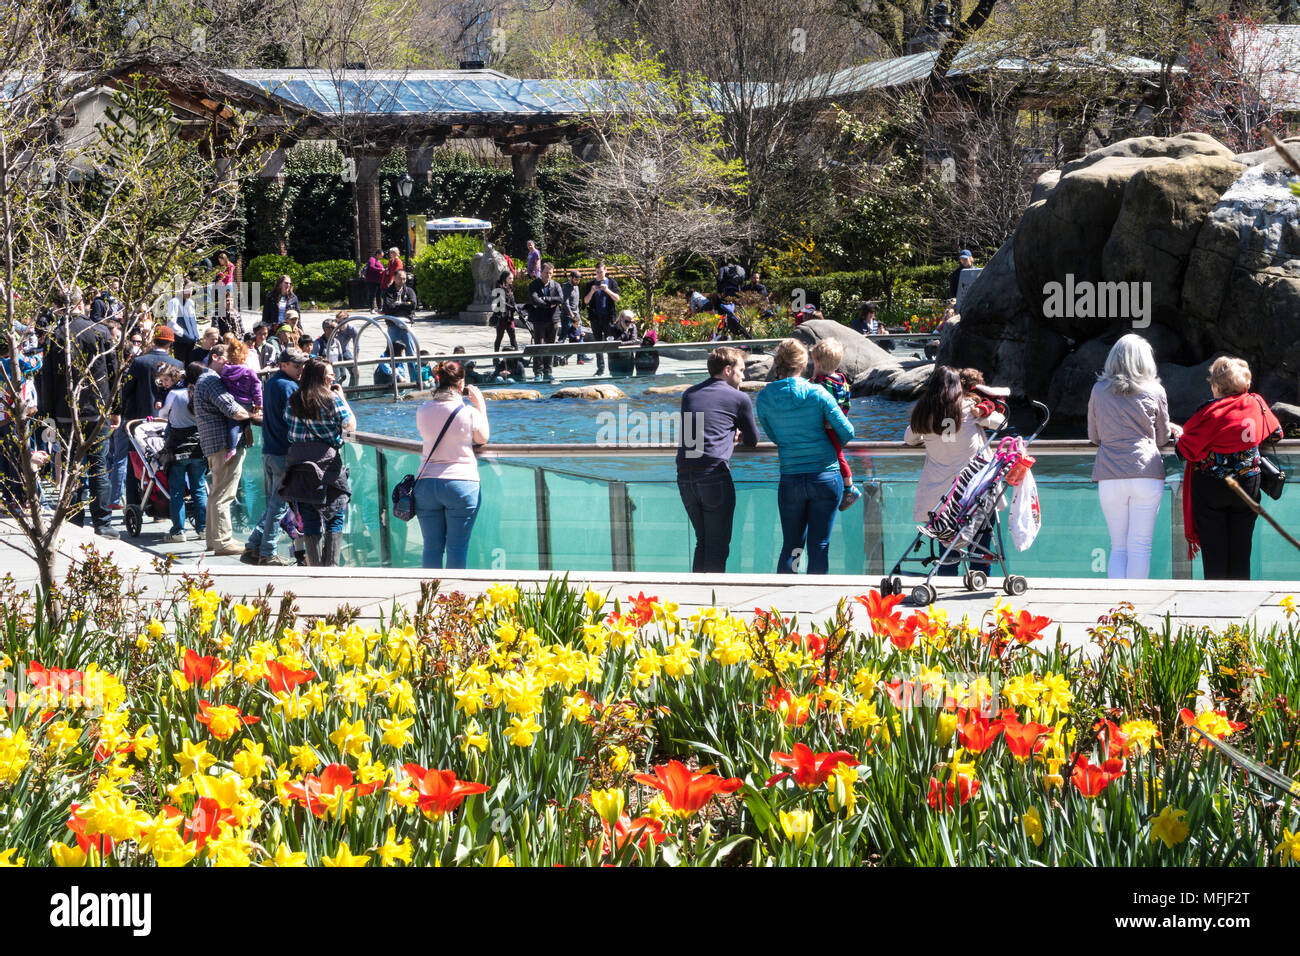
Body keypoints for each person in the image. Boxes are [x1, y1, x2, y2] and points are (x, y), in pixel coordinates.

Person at [1175, 356, 1282, 580]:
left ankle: (1216, 609)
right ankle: (1242, 610)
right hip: (1248, 486)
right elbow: (1276, 432)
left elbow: (1185, 449)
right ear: (1243, 384)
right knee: (1242, 553)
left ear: (1215, 386)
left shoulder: (1209, 413)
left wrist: (1178, 435)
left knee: (1214, 556)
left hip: (1211, 489)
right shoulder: (1255, 403)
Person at [755, 339, 855, 574]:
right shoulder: (817, 393)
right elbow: (848, 432)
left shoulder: (764, 397)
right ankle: (812, 596)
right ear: (804, 363)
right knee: (819, 545)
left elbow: (774, 436)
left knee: (792, 546)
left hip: (790, 477)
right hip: (825, 476)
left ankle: (786, 598)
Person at [1087, 335, 1180, 579]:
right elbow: (1161, 439)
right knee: (1140, 546)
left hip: (1109, 474)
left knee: (1118, 547)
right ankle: (1135, 608)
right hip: (1146, 472)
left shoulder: (1098, 390)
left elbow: (1094, 435)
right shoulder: (1156, 390)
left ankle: (1116, 610)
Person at [904, 365, 1006, 573]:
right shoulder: (969, 409)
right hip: (974, 493)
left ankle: (943, 587)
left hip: (939, 497)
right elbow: (1001, 423)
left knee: (947, 552)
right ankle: (978, 583)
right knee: (982, 547)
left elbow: (909, 438)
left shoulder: (924, 415)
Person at [38, 285, 120, 537]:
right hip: (96, 410)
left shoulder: (56, 335)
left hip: (65, 410)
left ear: (57, 305)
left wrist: (47, 415)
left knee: (73, 466)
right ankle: (102, 522)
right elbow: (113, 372)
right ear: (81, 302)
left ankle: (74, 519)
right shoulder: (101, 331)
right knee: (98, 467)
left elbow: (47, 379)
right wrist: (115, 407)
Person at [677, 346, 760, 572]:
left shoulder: (690, 394)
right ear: (727, 370)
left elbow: (693, 438)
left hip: (685, 477)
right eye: (741, 370)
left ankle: (697, 600)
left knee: (702, 542)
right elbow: (753, 439)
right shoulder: (739, 398)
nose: (744, 376)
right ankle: (712, 601)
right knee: (717, 548)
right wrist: (736, 433)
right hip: (714, 474)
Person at [414, 360, 489, 569]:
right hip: (462, 483)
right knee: (457, 548)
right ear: (462, 383)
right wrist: (480, 405)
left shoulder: (422, 410)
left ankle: (429, 598)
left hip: (426, 483)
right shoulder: (468, 413)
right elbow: (483, 438)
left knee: (431, 547)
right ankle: (454, 600)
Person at [282, 358, 355, 567]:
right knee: (334, 513)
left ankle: (314, 567)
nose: (333, 376)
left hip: (299, 466)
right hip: (327, 465)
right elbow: (350, 425)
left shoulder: (294, 399)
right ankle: (331, 568)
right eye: (330, 373)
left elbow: (287, 421)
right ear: (322, 377)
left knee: (309, 516)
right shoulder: (331, 398)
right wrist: (343, 398)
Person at [192, 344, 259, 555]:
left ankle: (212, 540)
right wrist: (253, 414)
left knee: (215, 493)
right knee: (224, 494)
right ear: (215, 357)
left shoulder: (204, 379)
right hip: (223, 445)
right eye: (227, 360)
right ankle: (223, 541)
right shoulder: (212, 381)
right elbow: (234, 410)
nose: (231, 364)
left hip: (213, 445)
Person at [242, 347, 307, 566]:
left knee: (274, 504)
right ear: (284, 364)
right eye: (296, 366)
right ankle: (267, 551)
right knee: (279, 506)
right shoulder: (288, 386)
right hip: (283, 453)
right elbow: (296, 419)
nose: (300, 370)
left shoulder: (271, 383)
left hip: (269, 450)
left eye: (302, 366)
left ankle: (253, 546)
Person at [810, 339, 862, 511]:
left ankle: (850, 487)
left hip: (827, 427)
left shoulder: (820, 383)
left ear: (817, 362)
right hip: (839, 423)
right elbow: (847, 404)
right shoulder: (841, 380)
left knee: (838, 455)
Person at [159, 363, 207, 544]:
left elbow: (163, 414)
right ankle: (203, 528)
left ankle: (179, 531)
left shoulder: (174, 394)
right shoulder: (200, 394)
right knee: (199, 489)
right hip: (198, 447)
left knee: (177, 491)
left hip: (177, 447)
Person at [218, 335, 263, 461]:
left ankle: (231, 448)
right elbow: (256, 389)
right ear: (244, 356)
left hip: (233, 403)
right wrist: (259, 403)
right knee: (245, 421)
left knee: (233, 425)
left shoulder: (225, 371)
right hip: (247, 402)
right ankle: (247, 437)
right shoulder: (249, 372)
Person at [527, 262, 563, 381]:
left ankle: (548, 371)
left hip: (553, 320)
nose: (548, 275)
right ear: (541, 272)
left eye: (551, 273)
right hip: (539, 320)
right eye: (546, 273)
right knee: (539, 346)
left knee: (550, 346)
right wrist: (548, 305)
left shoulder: (556, 285)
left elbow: (561, 299)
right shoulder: (534, 284)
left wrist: (547, 299)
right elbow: (534, 299)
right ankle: (538, 371)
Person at [583, 262, 621, 375]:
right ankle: (600, 368)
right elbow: (585, 301)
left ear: (606, 271)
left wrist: (607, 290)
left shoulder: (612, 282)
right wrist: (592, 291)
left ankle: (613, 367)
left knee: (610, 342)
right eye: (597, 272)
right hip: (595, 318)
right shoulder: (591, 284)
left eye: (601, 272)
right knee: (598, 344)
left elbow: (617, 299)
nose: (599, 274)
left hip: (608, 318)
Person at [382, 270, 420, 379]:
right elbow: (388, 307)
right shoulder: (388, 292)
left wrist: (399, 304)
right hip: (393, 325)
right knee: (393, 351)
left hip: (406, 325)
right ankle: (397, 378)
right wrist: (403, 305)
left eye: (404, 278)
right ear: (394, 278)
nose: (402, 280)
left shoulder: (409, 291)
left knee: (411, 352)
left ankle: (415, 379)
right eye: (400, 278)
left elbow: (413, 304)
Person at [166, 282, 199, 364]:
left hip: (191, 342)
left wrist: (195, 334)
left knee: (190, 365)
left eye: (191, 290)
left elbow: (193, 320)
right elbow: (171, 323)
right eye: (187, 289)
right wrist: (184, 334)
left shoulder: (191, 302)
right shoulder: (174, 302)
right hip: (180, 341)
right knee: (180, 365)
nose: (190, 293)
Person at [560, 269, 587, 363]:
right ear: (571, 277)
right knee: (564, 335)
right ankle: (557, 355)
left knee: (580, 334)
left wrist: (577, 316)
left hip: (576, 315)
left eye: (579, 279)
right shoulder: (565, 287)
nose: (577, 281)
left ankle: (581, 357)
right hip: (567, 316)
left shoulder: (577, 287)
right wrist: (571, 315)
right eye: (576, 279)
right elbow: (565, 302)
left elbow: (576, 303)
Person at [491, 271, 519, 352]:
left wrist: (517, 307)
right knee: (499, 337)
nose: (512, 280)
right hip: (501, 317)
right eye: (510, 278)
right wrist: (512, 307)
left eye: (512, 278)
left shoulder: (510, 288)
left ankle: (517, 357)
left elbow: (513, 301)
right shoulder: (499, 289)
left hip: (509, 317)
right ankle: (495, 357)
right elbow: (502, 302)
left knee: (513, 337)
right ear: (505, 278)